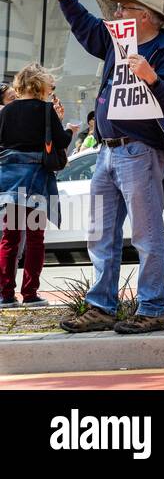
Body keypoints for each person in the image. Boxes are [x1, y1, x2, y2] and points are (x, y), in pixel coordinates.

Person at [52, 0, 164, 335]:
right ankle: (101, 307)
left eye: (125, 8)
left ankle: (153, 308)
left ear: (144, 15)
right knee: (101, 233)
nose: (118, 12)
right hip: (109, 150)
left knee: (145, 234)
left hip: (139, 151)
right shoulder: (117, 41)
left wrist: (151, 78)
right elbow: (85, 26)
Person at [0, 64, 69, 308]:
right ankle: (30, 294)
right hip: (37, 180)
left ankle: (5, 294)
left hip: (10, 180)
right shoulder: (46, 110)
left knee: (9, 238)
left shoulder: (6, 112)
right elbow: (60, 140)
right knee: (35, 238)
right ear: (40, 85)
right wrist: (67, 127)